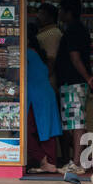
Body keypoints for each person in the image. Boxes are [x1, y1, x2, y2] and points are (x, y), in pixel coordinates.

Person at [54, 0, 93, 175]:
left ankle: (77, 162)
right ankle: (81, 160)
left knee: (77, 123)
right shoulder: (78, 29)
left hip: (74, 83)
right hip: (74, 83)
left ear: (68, 12)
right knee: (76, 123)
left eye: (61, 10)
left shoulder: (73, 31)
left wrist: (87, 78)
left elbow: (75, 57)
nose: (59, 13)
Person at [25, 26, 62, 174]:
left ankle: (44, 161)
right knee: (48, 129)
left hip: (35, 96)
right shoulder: (37, 54)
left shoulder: (26, 54)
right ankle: (49, 161)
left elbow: (14, 76)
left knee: (25, 131)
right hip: (45, 94)